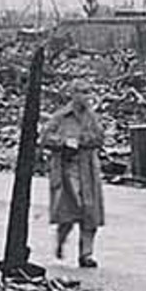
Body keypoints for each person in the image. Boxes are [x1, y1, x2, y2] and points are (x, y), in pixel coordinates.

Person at [42, 88, 107, 268]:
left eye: (87, 93)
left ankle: (86, 254)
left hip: (87, 169)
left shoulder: (91, 118)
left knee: (90, 211)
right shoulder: (60, 117)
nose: (85, 97)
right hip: (66, 169)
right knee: (69, 211)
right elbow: (45, 138)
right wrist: (63, 142)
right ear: (73, 95)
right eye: (82, 93)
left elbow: (100, 138)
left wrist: (81, 141)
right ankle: (61, 240)